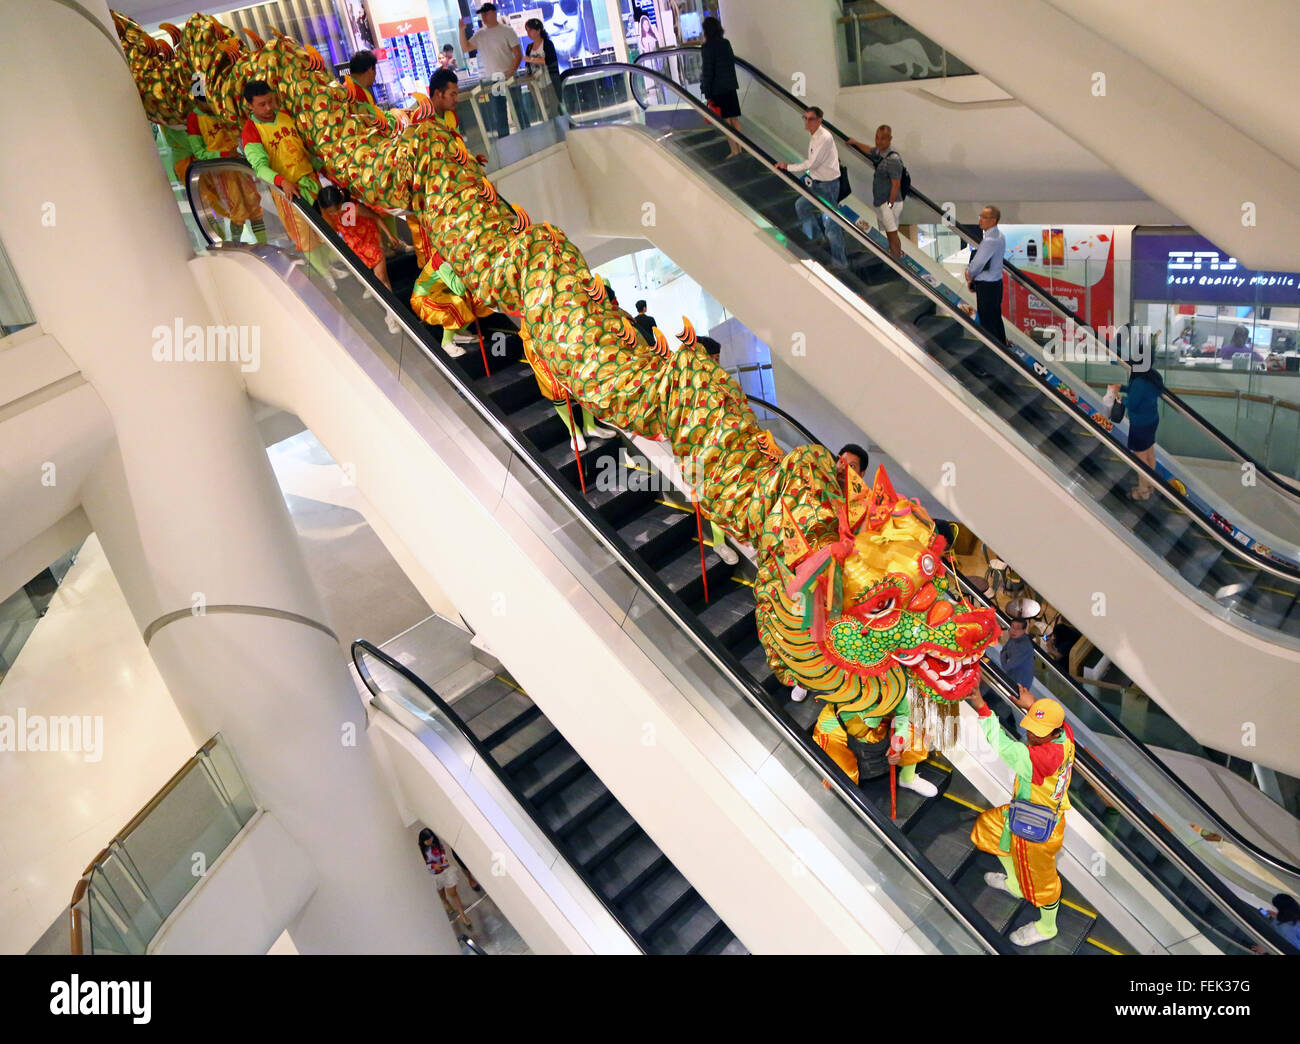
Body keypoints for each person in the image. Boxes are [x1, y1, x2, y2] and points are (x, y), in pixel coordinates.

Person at [967, 692, 1075, 946]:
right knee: (990, 828)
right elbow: (1057, 722)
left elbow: (1002, 745)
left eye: (1039, 733)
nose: (1031, 735)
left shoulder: (1038, 759)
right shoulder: (1066, 737)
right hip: (1025, 810)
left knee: (1043, 882)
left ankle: (1047, 927)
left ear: (1053, 732)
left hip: (1038, 827)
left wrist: (981, 707)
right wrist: (1032, 706)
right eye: (1031, 728)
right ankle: (1015, 885)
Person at [239, 79, 330, 278]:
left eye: (271, 101)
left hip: (311, 182)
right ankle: (324, 274)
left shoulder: (286, 116)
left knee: (326, 227)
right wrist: (283, 182)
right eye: (262, 104)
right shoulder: (251, 131)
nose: (268, 107)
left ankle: (333, 267)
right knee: (303, 233)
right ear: (250, 105)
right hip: (288, 190)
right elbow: (260, 168)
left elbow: (304, 147)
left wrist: (322, 166)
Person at [186, 86, 265, 243]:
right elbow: (199, 153)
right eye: (206, 103)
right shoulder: (194, 118)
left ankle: (264, 243)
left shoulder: (220, 108)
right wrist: (222, 155)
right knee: (237, 210)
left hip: (239, 165)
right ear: (197, 101)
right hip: (220, 170)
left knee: (254, 204)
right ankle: (236, 245)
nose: (209, 106)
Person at [775, 107, 847, 271]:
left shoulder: (824, 138)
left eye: (810, 119)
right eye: (805, 118)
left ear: (819, 120)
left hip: (828, 186)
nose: (807, 122)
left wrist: (787, 167)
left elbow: (812, 164)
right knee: (801, 206)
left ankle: (840, 262)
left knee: (831, 224)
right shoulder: (815, 135)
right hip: (817, 183)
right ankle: (817, 238)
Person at [460, 4, 522, 141]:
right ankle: (504, 141)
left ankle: (526, 133)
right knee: (499, 112)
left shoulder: (507, 31)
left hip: (509, 75)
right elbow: (465, 48)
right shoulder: (480, 34)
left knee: (518, 107)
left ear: (494, 13)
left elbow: (518, 54)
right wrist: (461, 30)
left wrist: (511, 71)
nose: (483, 17)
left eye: (486, 13)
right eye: (482, 14)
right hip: (494, 78)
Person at [317, 185, 398, 289]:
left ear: (341, 201)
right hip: (355, 249)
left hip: (371, 243)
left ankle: (388, 297)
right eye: (331, 211)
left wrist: (389, 235)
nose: (335, 213)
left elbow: (376, 217)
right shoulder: (329, 215)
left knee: (381, 278)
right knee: (362, 280)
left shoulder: (354, 208)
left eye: (337, 209)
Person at [1106, 363, 1164, 500]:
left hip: (1140, 424)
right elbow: (1140, 393)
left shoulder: (1139, 381)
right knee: (1149, 454)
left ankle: (1143, 492)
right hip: (1151, 420)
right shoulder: (1153, 376)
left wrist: (1117, 396)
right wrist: (1122, 387)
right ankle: (1150, 484)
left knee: (1140, 458)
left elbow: (1132, 404)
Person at [848, 125, 904, 259]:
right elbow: (869, 150)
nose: (879, 141)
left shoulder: (893, 159)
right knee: (891, 232)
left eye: (883, 139)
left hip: (890, 202)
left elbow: (896, 184)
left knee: (892, 234)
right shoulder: (880, 152)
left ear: (890, 139)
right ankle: (896, 255)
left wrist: (889, 205)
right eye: (877, 138)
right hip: (883, 202)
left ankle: (896, 259)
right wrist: (855, 142)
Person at [699, 16, 742, 158]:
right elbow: (731, 62)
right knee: (734, 119)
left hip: (718, 89)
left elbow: (708, 72)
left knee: (726, 121)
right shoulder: (725, 43)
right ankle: (741, 149)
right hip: (730, 86)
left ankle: (734, 150)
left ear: (706, 31)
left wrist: (707, 92)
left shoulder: (707, 47)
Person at [965, 205, 1007, 345]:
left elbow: (977, 265)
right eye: (980, 216)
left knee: (988, 324)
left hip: (987, 287)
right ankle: (1002, 347)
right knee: (995, 319)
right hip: (996, 284)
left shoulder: (989, 241)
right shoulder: (1000, 236)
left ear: (993, 220)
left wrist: (969, 274)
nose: (980, 220)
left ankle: (994, 352)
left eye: (984, 217)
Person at [418, 828, 472, 930]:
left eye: (431, 839)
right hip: (435, 875)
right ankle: (445, 902)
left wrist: (444, 860)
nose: (430, 842)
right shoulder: (421, 850)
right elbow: (422, 863)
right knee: (441, 891)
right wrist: (433, 866)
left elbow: (442, 852)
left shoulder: (436, 843)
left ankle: (462, 914)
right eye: (427, 841)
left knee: (453, 893)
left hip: (446, 870)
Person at [522, 18, 560, 120]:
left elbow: (549, 60)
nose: (528, 33)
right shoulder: (529, 47)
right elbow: (528, 66)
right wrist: (528, 81)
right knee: (542, 111)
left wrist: (532, 59)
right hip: (536, 84)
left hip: (549, 82)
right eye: (527, 30)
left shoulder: (547, 44)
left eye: (530, 30)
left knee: (554, 109)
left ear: (538, 30)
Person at [999, 616, 1036, 692]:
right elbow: (1002, 652)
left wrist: (1006, 658)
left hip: (1018, 687)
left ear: (1024, 630)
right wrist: (1006, 657)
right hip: (1010, 679)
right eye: (1012, 627)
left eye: (1018, 628)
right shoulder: (1014, 638)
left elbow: (1006, 666)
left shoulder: (1024, 647)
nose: (1014, 631)